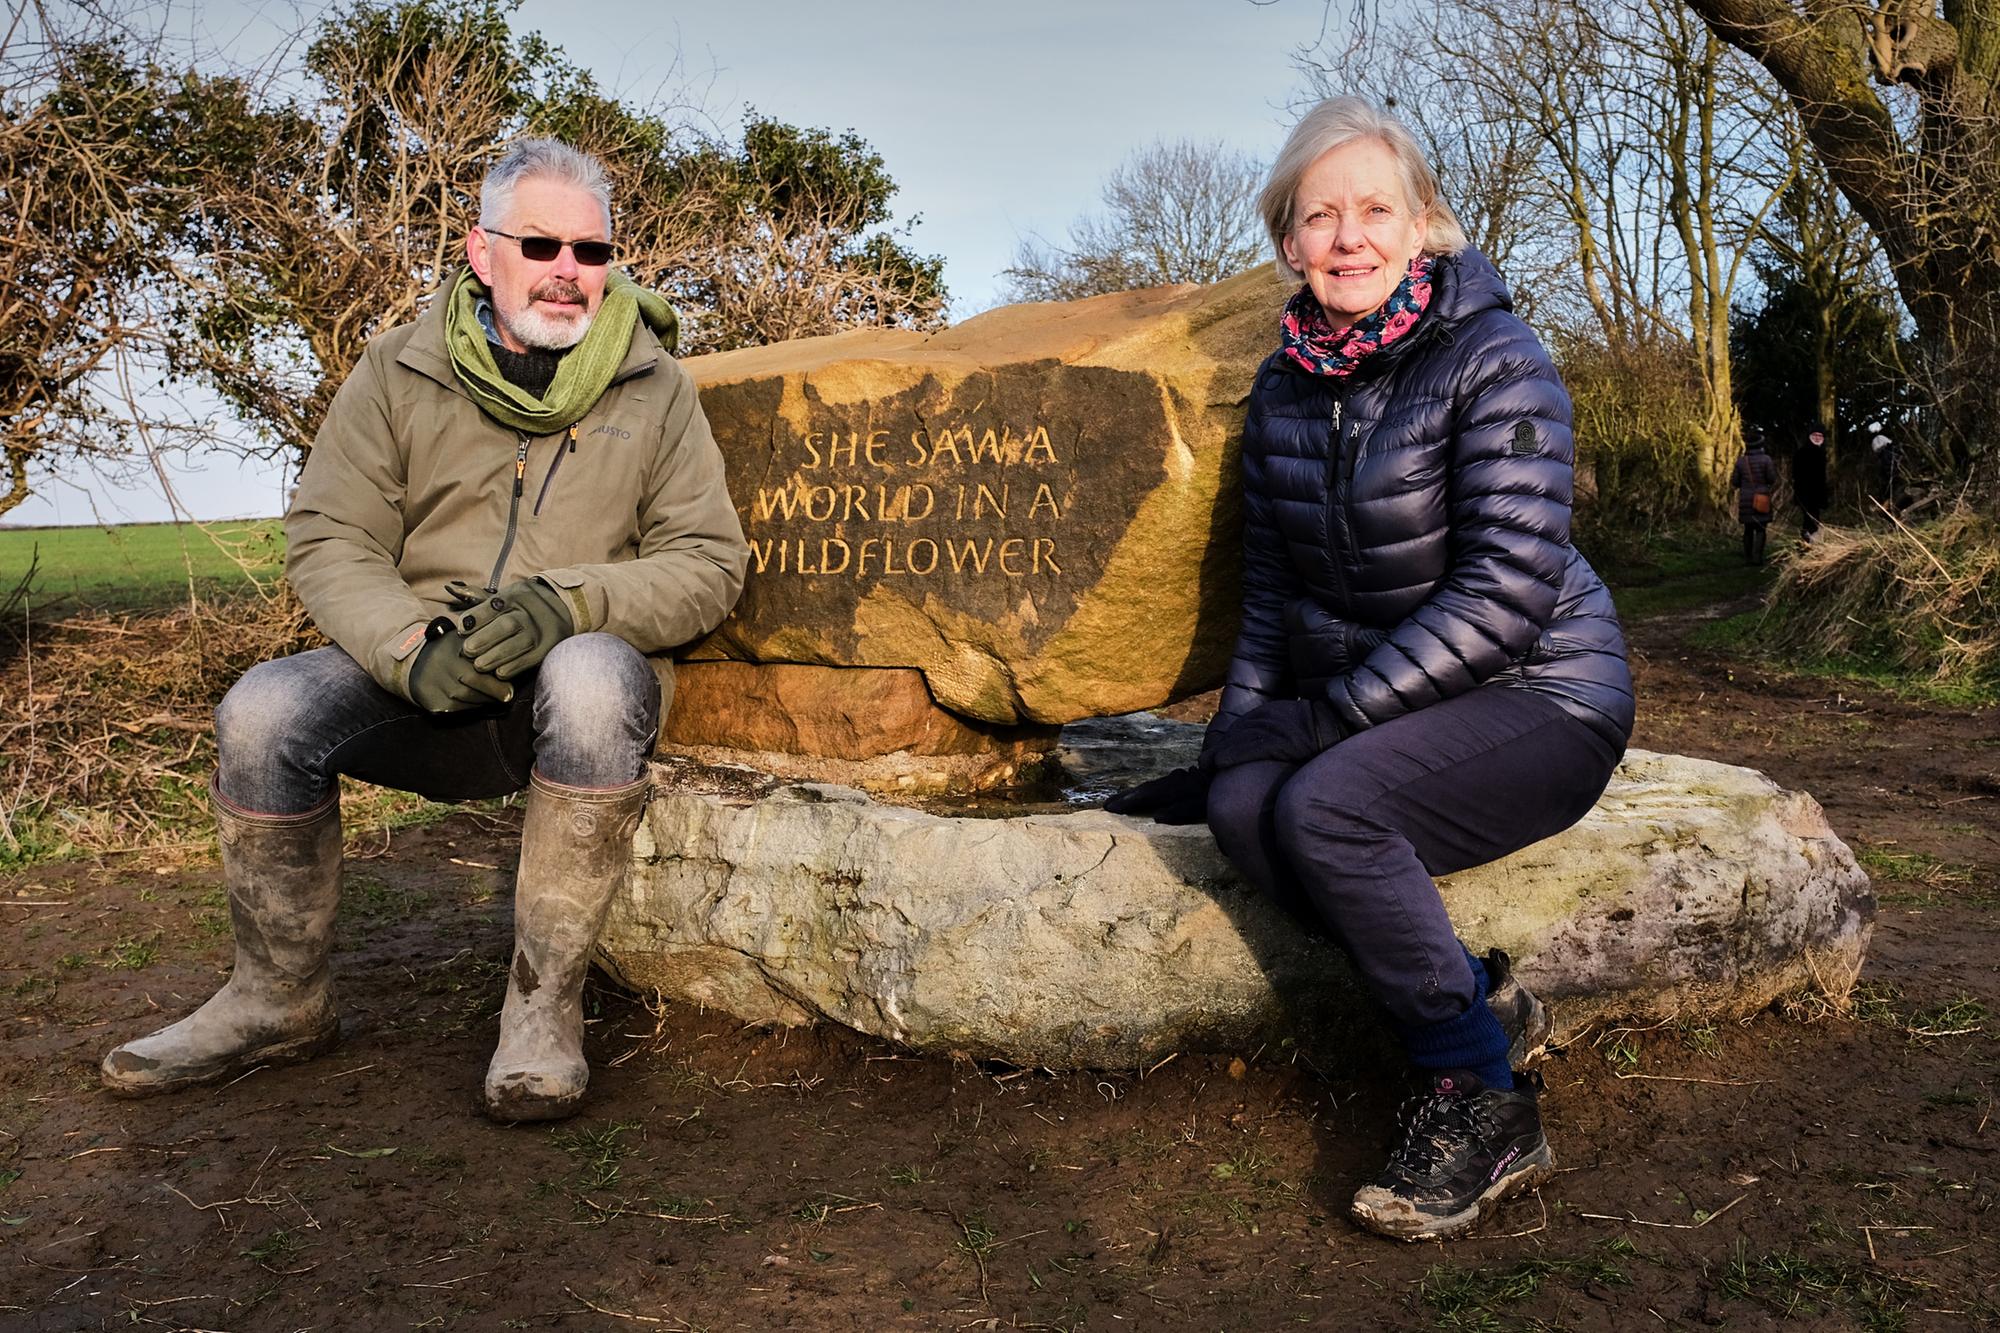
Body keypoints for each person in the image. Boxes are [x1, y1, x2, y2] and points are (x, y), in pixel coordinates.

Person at [100, 139, 749, 1123]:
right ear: (482, 252)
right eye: (540, 245)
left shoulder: (654, 386)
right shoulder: (398, 367)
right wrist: (410, 647)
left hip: (573, 692)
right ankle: (277, 1001)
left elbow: (707, 561)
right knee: (263, 707)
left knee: (587, 675)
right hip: (426, 679)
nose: (568, 271)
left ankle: (541, 1013)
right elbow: (329, 534)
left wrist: (566, 603)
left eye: (591, 250)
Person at [1106, 97, 1633, 1241]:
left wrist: (1327, 720)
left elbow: (1503, 595)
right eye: (1318, 216)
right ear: (1284, 241)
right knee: (1249, 811)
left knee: (1329, 807)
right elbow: (1271, 599)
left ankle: (1479, 1094)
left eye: (1372, 211)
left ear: (1423, 224)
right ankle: (1482, 995)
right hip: (1395, 708)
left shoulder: (1497, 358)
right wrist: (1229, 748)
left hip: (1542, 691)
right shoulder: (1286, 389)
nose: (1346, 238)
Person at [1732, 429, 1779, 564]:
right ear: (1761, 445)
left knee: (1748, 529)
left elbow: (1735, 482)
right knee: (1760, 529)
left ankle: (1747, 558)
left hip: (1746, 497)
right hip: (1762, 497)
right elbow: (1771, 479)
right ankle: (1757, 558)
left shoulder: (1741, 461)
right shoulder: (1766, 459)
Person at [1794, 427, 1828, 544]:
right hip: (1805, 492)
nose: (1817, 438)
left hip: (1818, 492)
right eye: (1815, 435)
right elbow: (1796, 474)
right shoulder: (1801, 452)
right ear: (1809, 437)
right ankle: (1808, 541)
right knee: (1810, 518)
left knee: (1813, 517)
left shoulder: (1822, 452)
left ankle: (1808, 541)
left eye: (1820, 436)